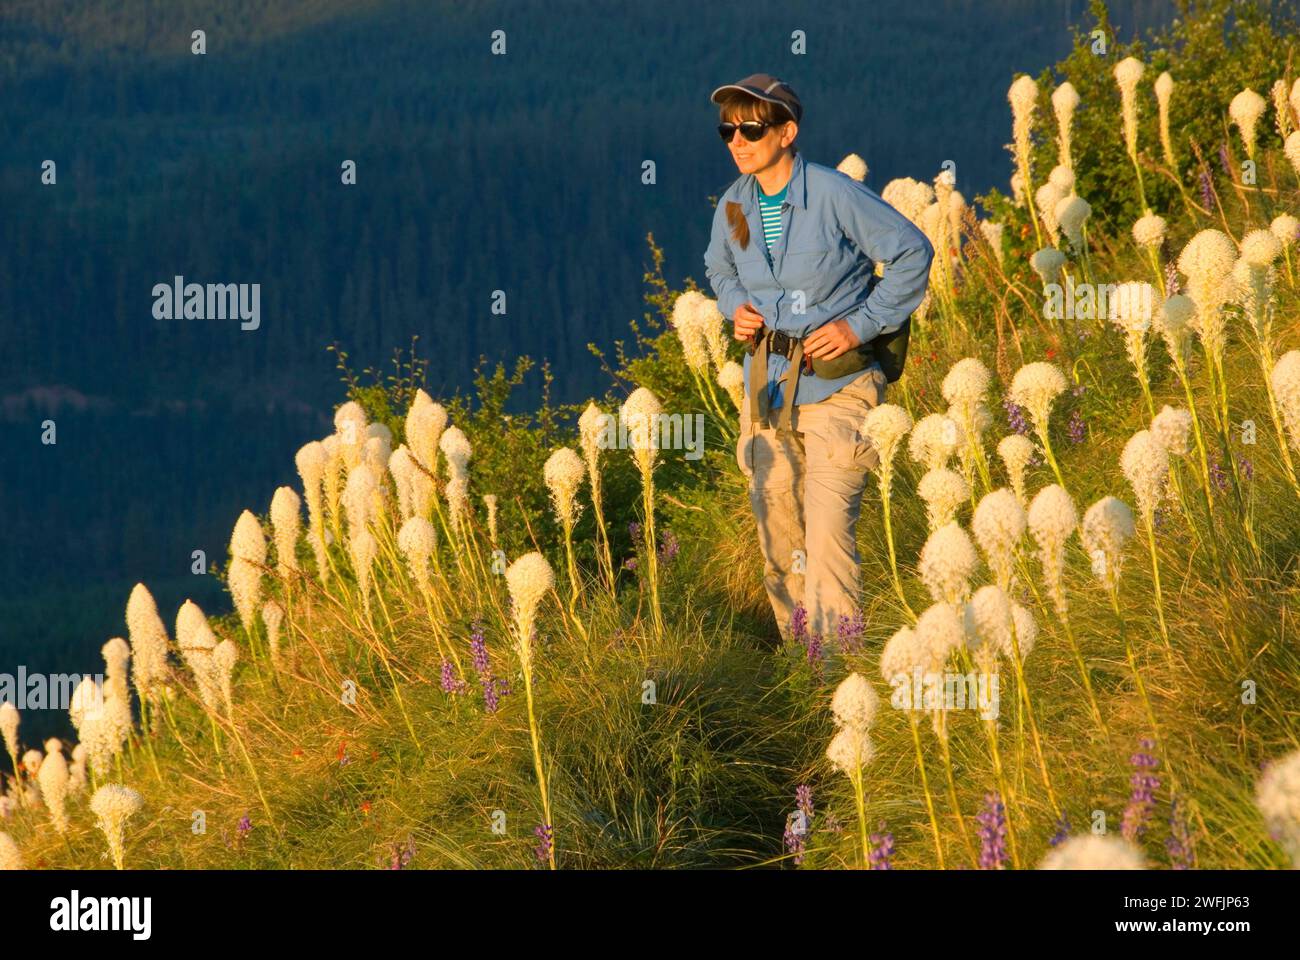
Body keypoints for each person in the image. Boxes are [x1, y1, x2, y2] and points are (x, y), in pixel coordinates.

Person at [702, 73, 934, 643]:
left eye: (751, 127)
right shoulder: (734, 205)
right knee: (779, 541)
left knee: (828, 541)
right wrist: (736, 307)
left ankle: (841, 676)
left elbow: (912, 252)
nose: (737, 139)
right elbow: (720, 268)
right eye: (727, 130)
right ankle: (805, 674)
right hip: (768, 393)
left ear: (787, 132)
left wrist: (859, 326)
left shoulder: (833, 194)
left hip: (839, 388)